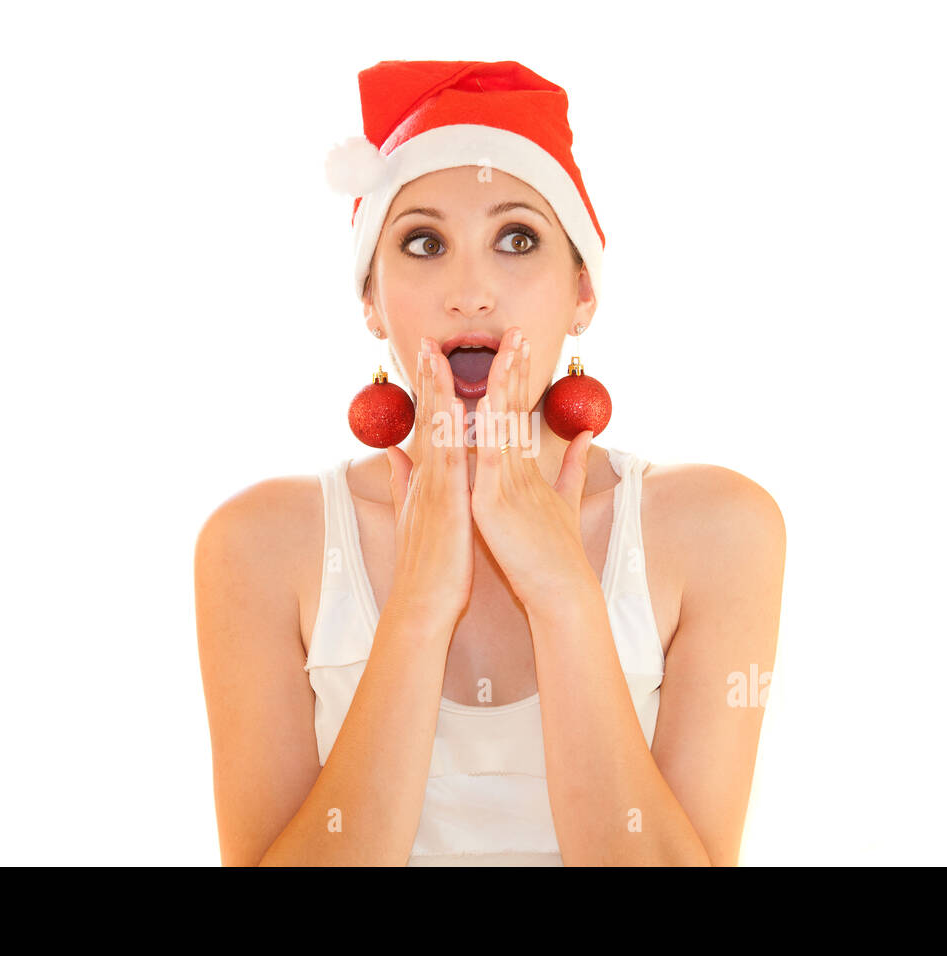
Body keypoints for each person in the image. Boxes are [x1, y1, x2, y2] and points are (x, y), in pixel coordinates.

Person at [194, 60, 786, 866]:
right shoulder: (257, 543)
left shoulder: (719, 529)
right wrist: (419, 607)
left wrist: (561, 592)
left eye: (516, 239)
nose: (470, 292)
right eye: (424, 243)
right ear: (371, 299)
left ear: (582, 292)